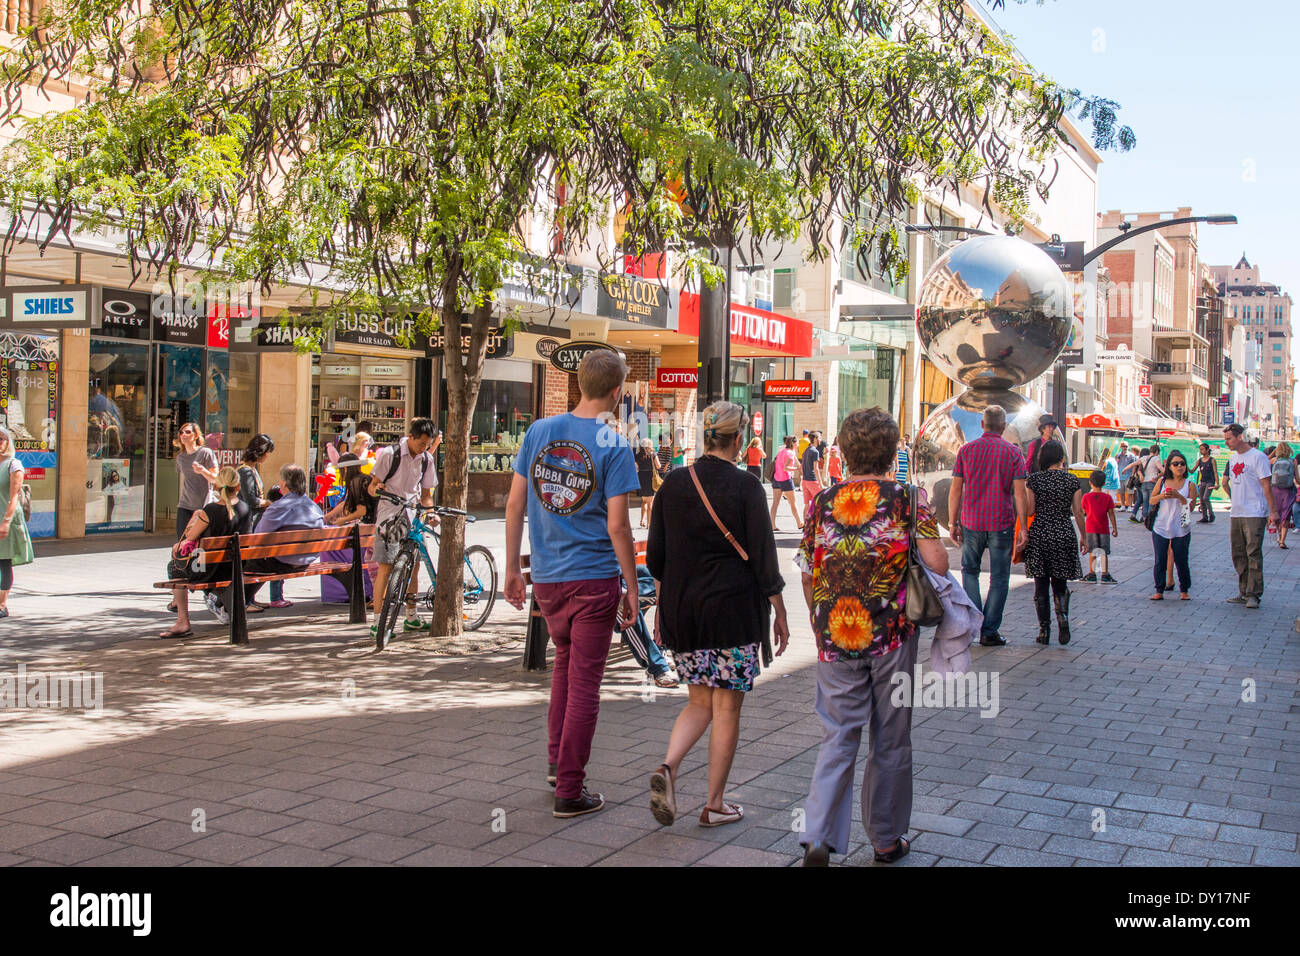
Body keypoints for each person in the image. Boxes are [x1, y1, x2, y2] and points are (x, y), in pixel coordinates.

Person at [797, 407, 948, 867]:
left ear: (844, 448)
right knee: (891, 738)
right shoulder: (906, 496)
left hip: (835, 634)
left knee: (838, 734)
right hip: (892, 635)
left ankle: (819, 832)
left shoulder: (823, 500)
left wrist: (819, 620)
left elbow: (807, 571)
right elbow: (938, 563)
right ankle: (885, 840)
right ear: (890, 453)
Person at [503, 350, 639, 819]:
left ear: (579, 383)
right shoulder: (615, 444)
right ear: (617, 393)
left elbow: (515, 504)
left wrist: (512, 569)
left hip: (548, 579)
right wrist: (632, 585)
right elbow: (619, 526)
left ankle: (555, 762)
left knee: (564, 669)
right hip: (593, 580)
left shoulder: (539, 432)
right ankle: (570, 788)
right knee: (585, 685)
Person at [646, 401, 788, 830]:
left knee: (698, 701)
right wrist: (779, 610)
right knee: (726, 708)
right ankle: (714, 804)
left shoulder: (672, 484)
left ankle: (668, 768)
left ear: (706, 437)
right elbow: (765, 559)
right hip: (733, 613)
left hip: (685, 614)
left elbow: (655, 559)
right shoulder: (747, 488)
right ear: (739, 440)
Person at [947, 405, 1029, 646]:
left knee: (969, 571)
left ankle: (974, 623)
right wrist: (1023, 527)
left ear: (982, 425)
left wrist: (953, 522)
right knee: (1000, 577)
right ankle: (990, 630)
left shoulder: (967, 450)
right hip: (1001, 523)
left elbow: (955, 489)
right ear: (1003, 427)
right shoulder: (1013, 453)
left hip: (972, 521)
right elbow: (1020, 493)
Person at [368, 420, 441, 636]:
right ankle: (377, 621)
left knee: (415, 566)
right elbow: (372, 487)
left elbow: (427, 495)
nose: (424, 449)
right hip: (389, 517)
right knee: (386, 567)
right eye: (421, 444)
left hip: (413, 516)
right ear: (411, 436)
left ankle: (411, 617)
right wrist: (378, 488)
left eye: (427, 445)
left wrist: (431, 512)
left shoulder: (427, 459)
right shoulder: (390, 455)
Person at [160, 467, 250, 637]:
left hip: (207, 570)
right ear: (238, 486)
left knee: (174, 567)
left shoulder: (210, 511)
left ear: (216, 487)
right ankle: (210, 601)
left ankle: (182, 621)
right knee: (181, 565)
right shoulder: (245, 509)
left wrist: (194, 519)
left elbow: (187, 540)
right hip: (235, 569)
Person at [1024, 440, 1085, 645]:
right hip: (1063, 533)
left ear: (1043, 458)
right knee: (1060, 584)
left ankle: (1044, 631)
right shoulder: (1072, 480)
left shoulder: (1035, 480)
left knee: (1040, 585)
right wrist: (1084, 536)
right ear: (1061, 459)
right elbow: (1077, 512)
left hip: (1040, 533)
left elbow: (1030, 510)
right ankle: (1063, 618)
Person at [242, 464, 326, 605]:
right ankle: (246, 600)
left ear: (284, 484)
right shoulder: (314, 507)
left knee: (245, 561)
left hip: (281, 561)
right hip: (305, 560)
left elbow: (258, 536)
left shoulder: (278, 507)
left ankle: (238, 601)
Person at [1220, 422, 1277, 610]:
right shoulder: (1234, 459)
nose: (1226, 442)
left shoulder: (1258, 457)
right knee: (1238, 553)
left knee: (1253, 553)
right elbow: (1229, 484)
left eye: (1229, 439)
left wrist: (1273, 511)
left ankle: (1254, 594)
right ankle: (1243, 591)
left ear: (1240, 437)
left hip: (1254, 512)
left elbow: (1266, 485)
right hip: (1237, 513)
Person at [1147, 450, 1196, 601]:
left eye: (1182, 464)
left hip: (1181, 527)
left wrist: (1179, 496)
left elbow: (1191, 506)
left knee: (1181, 560)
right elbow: (1151, 501)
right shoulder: (1162, 482)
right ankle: (1159, 590)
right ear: (1169, 466)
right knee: (1160, 559)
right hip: (1161, 526)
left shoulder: (1190, 484)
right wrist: (1162, 496)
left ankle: (1184, 590)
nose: (1179, 466)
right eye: (1175, 464)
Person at [0, 427, 34, 619]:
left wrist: (5, 522)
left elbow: (14, 497)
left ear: (8, 442)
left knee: (3, 561)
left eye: (1, 439)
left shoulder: (14, 465)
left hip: (6, 517)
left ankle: (2, 604)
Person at [173, 422, 218, 538]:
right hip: (184, 505)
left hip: (203, 506)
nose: (183, 434)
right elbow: (184, 480)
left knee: (200, 542)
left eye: (188, 432)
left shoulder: (205, 453)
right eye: (181, 432)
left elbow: (215, 479)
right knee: (182, 542)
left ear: (196, 436)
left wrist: (203, 470)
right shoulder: (180, 457)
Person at [1080, 470, 1118, 585]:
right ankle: (1105, 574)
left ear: (1090, 483)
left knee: (1092, 551)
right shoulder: (1108, 498)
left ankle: (1092, 574)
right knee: (1103, 552)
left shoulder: (1086, 497)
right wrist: (1115, 528)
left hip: (1090, 528)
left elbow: (1083, 512)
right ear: (1104, 483)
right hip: (1104, 529)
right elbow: (1111, 513)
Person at [769, 436, 803, 531]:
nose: (798, 444)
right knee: (793, 503)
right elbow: (786, 468)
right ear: (793, 443)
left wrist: (797, 463)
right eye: (797, 443)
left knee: (775, 503)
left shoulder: (782, 452)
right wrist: (798, 469)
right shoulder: (790, 453)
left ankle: (772, 525)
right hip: (786, 480)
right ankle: (799, 522)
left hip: (776, 479)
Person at [1269, 441, 1295, 549]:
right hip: (1288, 491)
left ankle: (1279, 536)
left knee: (1278, 514)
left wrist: (1274, 452)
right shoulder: (1293, 461)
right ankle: (1282, 540)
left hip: (1275, 490)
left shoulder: (1274, 460)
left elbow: (1265, 460)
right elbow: (1297, 478)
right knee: (1286, 515)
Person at [1137, 444, 1163, 524]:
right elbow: (1160, 469)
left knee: (1145, 501)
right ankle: (1149, 517)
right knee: (1151, 500)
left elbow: (1136, 467)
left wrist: (1124, 469)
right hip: (1152, 482)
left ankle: (1144, 516)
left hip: (1144, 482)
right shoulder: (1156, 458)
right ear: (1157, 451)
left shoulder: (1144, 458)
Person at [635, 437, 657, 528]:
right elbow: (659, 466)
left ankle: (642, 520)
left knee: (644, 501)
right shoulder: (653, 455)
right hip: (650, 479)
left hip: (641, 479)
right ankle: (648, 524)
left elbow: (635, 468)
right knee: (650, 503)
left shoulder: (637, 455)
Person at [800, 430, 823, 516]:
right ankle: (817, 526)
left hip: (805, 481)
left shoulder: (806, 450)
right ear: (816, 439)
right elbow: (816, 468)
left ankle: (806, 527)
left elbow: (802, 466)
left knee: (807, 505)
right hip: (812, 481)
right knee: (820, 502)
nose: (821, 440)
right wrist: (820, 483)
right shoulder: (815, 452)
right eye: (820, 438)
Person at [1194, 443, 1219, 523]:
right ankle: (1204, 517)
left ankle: (1211, 514)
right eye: (1200, 449)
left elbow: (1215, 472)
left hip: (1210, 481)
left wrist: (1217, 483)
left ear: (1207, 450)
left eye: (1202, 449)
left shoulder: (1212, 460)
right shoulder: (1200, 460)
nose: (1201, 451)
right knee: (1201, 499)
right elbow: (1192, 470)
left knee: (1205, 498)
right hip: (1203, 481)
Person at [1113, 442, 1135, 512]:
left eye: (1126, 446)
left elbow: (1134, 465)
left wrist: (1132, 474)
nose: (1124, 448)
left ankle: (1129, 506)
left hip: (1128, 475)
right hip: (1120, 475)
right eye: (1123, 446)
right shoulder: (1118, 455)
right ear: (1121, 447)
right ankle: (1123, 505)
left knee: (1129, 492)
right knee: (1121, 492)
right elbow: (1115, 464)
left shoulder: (1131, 455)